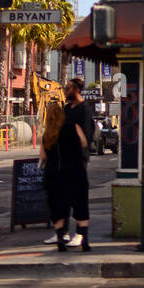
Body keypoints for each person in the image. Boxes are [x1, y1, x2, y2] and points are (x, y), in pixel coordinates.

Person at [39, 78, 94, 252]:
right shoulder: (66, 108)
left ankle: (78, 234)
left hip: (76, 159)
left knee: (76, 199)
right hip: (62, 161)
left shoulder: (84, 110)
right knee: (63, 199)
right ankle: (62, 233)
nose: (64, 90)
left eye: (68, 87)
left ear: (77, 89)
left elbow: (86, 139)